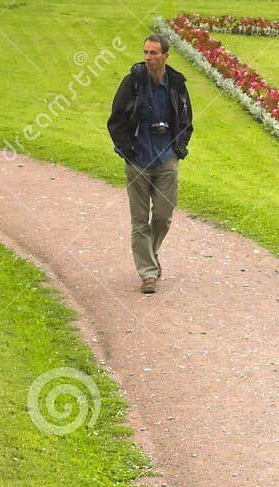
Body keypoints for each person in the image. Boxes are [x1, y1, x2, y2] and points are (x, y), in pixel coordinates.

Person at [107, 36, 193, 294]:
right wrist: (128, 150)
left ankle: (149, 257)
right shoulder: (132, 82)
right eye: (145, 52)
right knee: (139, 221)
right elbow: (116, 120)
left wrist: (179, 148)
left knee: (164, 217)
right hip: (139, 161)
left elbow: (187, 120)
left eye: (153, 53)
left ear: (165, 55)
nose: (148, 57)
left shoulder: (176, 84)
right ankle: (148, 274)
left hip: (167, 159)